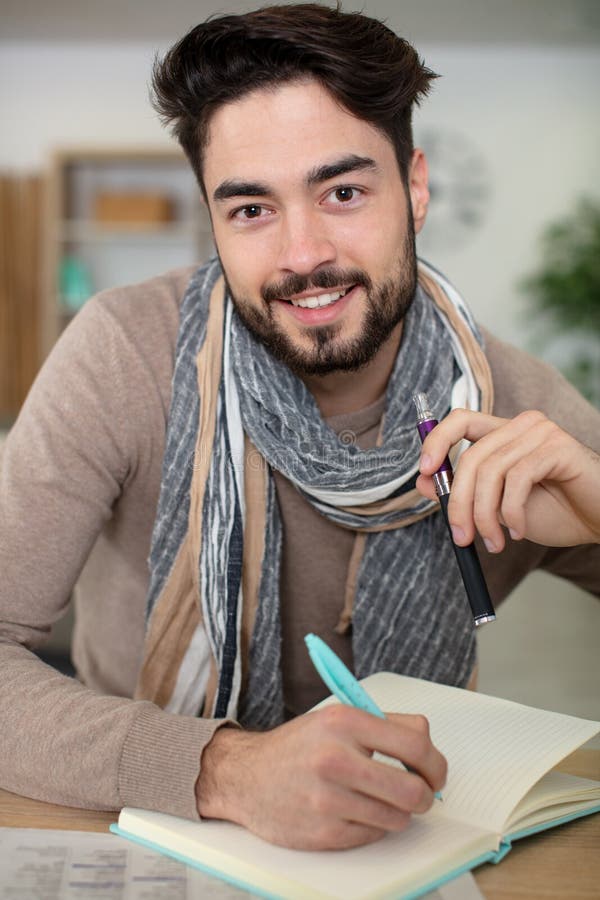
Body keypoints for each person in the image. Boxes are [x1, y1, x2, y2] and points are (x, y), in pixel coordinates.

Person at [1, 3, 599, 852]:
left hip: (416, 842)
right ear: (211, 217)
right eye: (251, 209)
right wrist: (224, 769)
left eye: (343, 192)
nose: (302, 254)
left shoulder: (512, 398)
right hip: (141, 833)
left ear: (416, 187)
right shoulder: (122, 354)